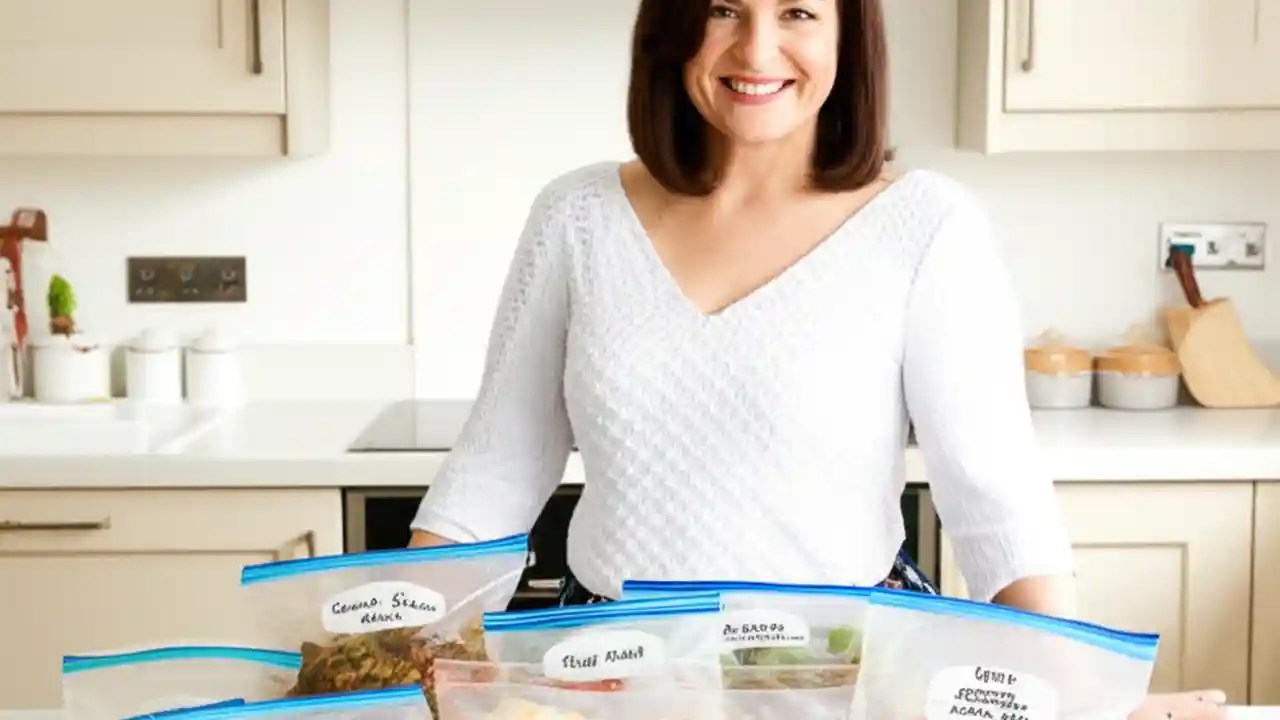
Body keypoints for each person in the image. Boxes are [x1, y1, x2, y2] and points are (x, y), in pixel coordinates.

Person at [409, 0, 1226, 717]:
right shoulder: (577, 217)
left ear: (848, 36)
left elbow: (996, 503)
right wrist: (386, 662)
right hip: (612, 676)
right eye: (723, 9)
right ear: (672, 26)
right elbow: (495, 471)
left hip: (848, 678)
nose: (756, 51)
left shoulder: (925, 226)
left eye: (798, 12)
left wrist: (1089, 702)